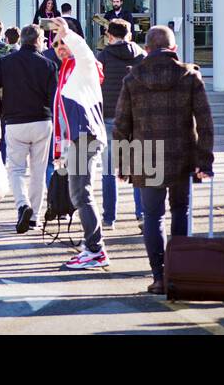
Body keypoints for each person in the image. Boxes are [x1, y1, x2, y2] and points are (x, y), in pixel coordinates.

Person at [113, 25, 215, 294]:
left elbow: (121, 125)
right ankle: (178, 272)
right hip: (182, 153)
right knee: (181, 211)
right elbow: (205, 122)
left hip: (146, 156)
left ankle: (159, 275)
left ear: (146, 49)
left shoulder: (133, 78)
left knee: (153, 217)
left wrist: (122, 162)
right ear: (174, 48)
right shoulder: (190, 76)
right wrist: (205, 162)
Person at [49, 18, 109, 270]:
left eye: (63, 43)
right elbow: (61, 114)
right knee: (79, 194)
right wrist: (60, 150)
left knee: (81, 194)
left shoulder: (83, 65)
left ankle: (95, 249)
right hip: (79, 139)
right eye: (56, 44)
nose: (60, 47)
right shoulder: (66, 71)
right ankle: (92, 247)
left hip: (87, 137)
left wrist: (68, 33)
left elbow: (84, 52)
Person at [0, 24, 57, 235]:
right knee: (38, 171)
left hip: (15, 121)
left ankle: (22, 204)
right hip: (42, 121)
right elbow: (53, 98)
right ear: (39, 40)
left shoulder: (6, 62)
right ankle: (34, 217)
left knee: (16, 169)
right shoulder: (48, 64)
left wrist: (1, 113)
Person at [96, 19, 146, 231]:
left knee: (109, 168)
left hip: (109, 115)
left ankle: (109, 217)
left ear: (109, 36)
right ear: (129, 35)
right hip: (136, 117)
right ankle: (142, 214)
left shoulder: (103, 56)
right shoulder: (142, 56)